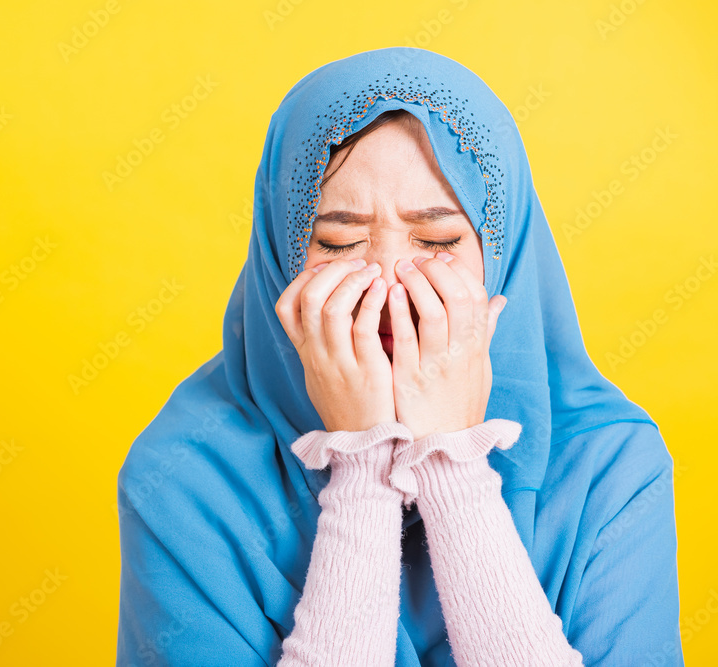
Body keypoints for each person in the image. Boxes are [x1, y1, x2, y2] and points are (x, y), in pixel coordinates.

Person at [116, 47, 683, 666]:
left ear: (500, 254)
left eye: (437, 240)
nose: (386, 281)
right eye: (337, 242)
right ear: (281, 254)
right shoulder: (181, 475)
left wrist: (451, 463)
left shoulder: (614, 465)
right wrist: (361, 466)